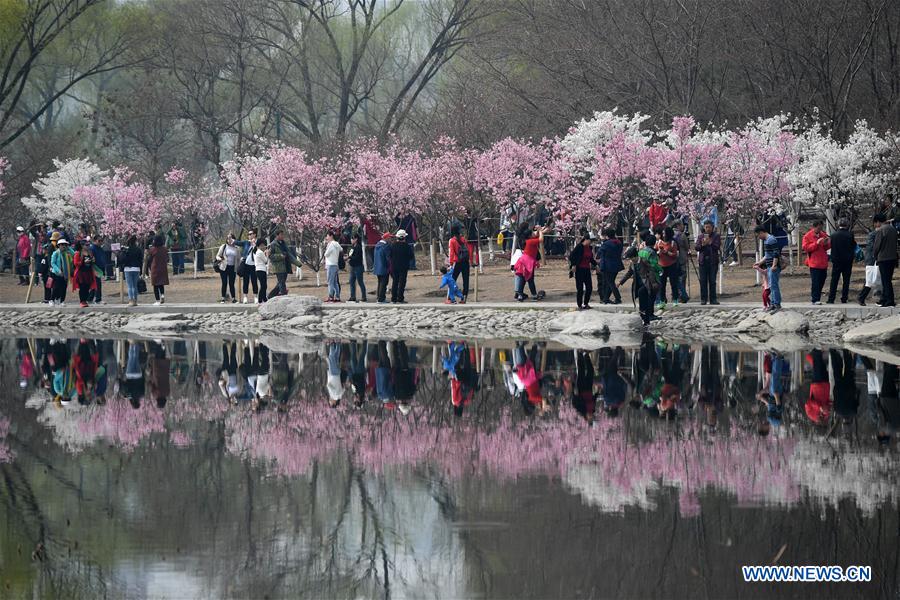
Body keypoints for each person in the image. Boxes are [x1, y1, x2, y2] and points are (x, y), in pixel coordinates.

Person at [624, 230, 662, 325]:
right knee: (650, 297)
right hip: (651, 279)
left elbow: (631, 271)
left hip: (641, 281)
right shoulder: (652, 253)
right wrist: (661, 269)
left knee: (644, 296)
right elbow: (653, 266)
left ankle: (645, 317)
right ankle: (649, 315)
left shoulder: (641, 252)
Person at [513, 225, 547, 302]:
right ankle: (534, 295)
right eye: (532, 233)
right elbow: (541, 239)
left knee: (523, 279)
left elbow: (538, 235)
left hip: (524, 261)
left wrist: (540, 230)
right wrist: (540, 231)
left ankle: (520, 295)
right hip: (527, 262)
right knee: (530, 279)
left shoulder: (529, 240)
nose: (533, 233)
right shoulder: (530, 241)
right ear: (529, 235)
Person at [827, 218, 856, 304]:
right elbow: (853, 246)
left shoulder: (833, 235)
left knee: (834, 280)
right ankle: (844, 298)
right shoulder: (850, 235)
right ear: (847, 225)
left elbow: (831, 246)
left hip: (836, 260)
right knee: (846, 280)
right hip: (847, 260)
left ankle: (831, 298)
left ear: (838, 224)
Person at [872, 212, 898, 307]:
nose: (875, 225)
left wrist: (874, 255)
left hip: (883, 258)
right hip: (892, 257)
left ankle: (889, 300)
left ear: (878, 222)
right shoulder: (893, 229)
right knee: (888, 279)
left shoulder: (880, 230)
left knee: (885, 280)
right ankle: (884, 299)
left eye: (875, 223)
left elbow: (876, 246)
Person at [802, 220, 830, 304]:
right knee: (815, 282)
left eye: (821, 228)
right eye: (819, 228)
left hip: (823, 262)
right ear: (814, 227)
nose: (820, 230)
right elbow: (806, 248)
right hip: (814, 263)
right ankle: (815, 299)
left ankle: (817, 297)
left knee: (822, 280)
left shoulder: (823, 234)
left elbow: (826, 247)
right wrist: (816, 243)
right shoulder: (807, 236)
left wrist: (827, 243)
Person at [755, 225, 782, 312]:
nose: (759, 237)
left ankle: (776, 303)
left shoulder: (771, 239)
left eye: (758, 235)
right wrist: (760, 262)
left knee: (774, 286)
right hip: (769, 265)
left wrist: (774, 265)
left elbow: (776, 253)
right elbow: (767, 255)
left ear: (761, 232)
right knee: (771, 285)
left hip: (773, 266)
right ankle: (773, 303)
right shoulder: (766, 241)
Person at [269, 230, 303, 297]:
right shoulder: (273, 244)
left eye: (282, 234)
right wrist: (280, 256)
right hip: (278, 267)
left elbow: (289, 253)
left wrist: (298, 263)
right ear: (277, 235)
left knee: (280, 282)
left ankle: (271, 296)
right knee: (281, 282)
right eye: (281, 234)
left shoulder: (283, 243)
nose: (282, 236)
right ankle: (283, 294)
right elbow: (271, 256)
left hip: (285, 266)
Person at [695, 220, 720, 305]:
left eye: (709, 227)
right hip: (703, 262)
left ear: (712, 227)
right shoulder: (700, 236)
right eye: (706, 227)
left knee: (712, 281)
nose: (708, 229)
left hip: (713, 261)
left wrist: (710, 242)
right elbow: (696, 247)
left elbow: (717, 246)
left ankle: (713, 299)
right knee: (703, 281)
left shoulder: (716, 236)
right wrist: (702, 244)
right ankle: (703, 299)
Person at [568, 234, 596, 310]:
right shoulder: (579, 246)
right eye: (591, 240)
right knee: (580, 288)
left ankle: (586, 303)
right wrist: (573, 265)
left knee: (589, 287)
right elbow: (571, 256)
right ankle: (579, 304)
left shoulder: (589, 248)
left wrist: (596, 265)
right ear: (586, 239)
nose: (591, 242)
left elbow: (591, 258)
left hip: (587, 269)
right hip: (579, 269)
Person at [596, 228, 623, 304]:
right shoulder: (619, 242)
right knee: (610, 282)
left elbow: (600, 252)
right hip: (617, 264)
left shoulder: (606, 244)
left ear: (607, 235)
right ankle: (606, 298)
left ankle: (618, 298)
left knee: (610, 282)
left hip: (608, 265)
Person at [655, 227, 680, 308]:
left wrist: (666, 252)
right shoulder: (659, 242)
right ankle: (662, 301)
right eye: (662, 233)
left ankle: (675, 299)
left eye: (664, 233)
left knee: (674, 283)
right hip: (661, 266)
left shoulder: (673, 243)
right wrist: (658, 252)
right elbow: (654, 251)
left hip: (671, 265)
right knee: (662, 284)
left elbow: (675, 255)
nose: (663, 235)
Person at [858, 220, 882, 306]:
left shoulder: (877, 234)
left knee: (876, 280)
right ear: (876, 223)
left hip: (876, 260)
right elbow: (872, 247)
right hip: (872, 260)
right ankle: (861, 297)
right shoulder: (872, 235)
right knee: (870, 280)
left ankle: (880, 299)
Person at [448, 225, 470, 303]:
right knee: (466, 280)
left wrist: (450, 263)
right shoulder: (463, 239)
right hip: (466, 262)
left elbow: (451, 253)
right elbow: (468, 249)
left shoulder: (452, 240)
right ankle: (464, 297)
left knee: (452, 280)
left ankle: (450, 298)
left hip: (457, 262)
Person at [215, 234, 240, 303]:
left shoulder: (236, 248)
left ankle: (233, 298)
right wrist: (220, 258)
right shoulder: (224, 246)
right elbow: (217, 255)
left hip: (232, 268)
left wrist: (238, 267)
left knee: (231, 283)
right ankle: (223, 298)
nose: (229, 240)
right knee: (224, 283)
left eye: (231, 238)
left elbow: (238, 259)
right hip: (224, 267)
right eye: (228, 238)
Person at [145, 235, 169, 305]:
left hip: (155, 268)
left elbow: (149, 259)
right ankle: (162, 295)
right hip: (163, 268)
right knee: (161, 283)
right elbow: (167, 258)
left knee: (155, 284)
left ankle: (157, 300)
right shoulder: (164, 249)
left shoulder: (153, 249)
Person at [72, 241, 97, 308]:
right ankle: (82, 301)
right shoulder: (78, 253)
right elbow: (75, 263)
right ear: (82, 245)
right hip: (81, 273)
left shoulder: (90, 253)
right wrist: (83, 262)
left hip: (88, 272)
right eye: (86, 245)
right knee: (82, 287)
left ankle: (85, 300)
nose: (88, 246)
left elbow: (92, 262)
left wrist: (93, 260)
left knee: (87, 287)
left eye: (88, 245)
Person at [120, 236, 144, 306]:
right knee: (135, 286)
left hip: (128, 268)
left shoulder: (126, 249)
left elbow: (122, 259)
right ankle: (135, 300)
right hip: (136, 268)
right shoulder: (138, 249)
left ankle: (131, 300)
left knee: (130, 286)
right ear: (135, 241)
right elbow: (140, 260)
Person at [390, 229, 413, 303]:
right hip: (403, 267)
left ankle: (393, 298)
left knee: (395, 282)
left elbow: (390, 255)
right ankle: (400, 298)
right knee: (402, 282)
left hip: (394, 266)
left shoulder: (393, 245)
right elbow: (411, 256)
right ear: (404, 238)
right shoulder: (407, 246)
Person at [49, 239, 74, 305]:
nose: (63, 246)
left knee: (64, 287)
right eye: (62, 244)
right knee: (56, 287)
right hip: (57, 273)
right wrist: (58, 271)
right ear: (59, 245)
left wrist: (69, 247)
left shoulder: (67, 253)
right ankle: (52, 300)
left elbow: (74, 254)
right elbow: (53, 263)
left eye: (65, 244)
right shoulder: (56, 253)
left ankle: (62, 300)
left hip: (66, 273)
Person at [672, 221, 690, 303]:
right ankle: (682, 295)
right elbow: (686, 246)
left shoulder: (670, 234)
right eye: (682, 225)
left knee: (674, 278)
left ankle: (674, 295)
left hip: (672, 259)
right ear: (678, 225)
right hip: (681, 259)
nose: (683, 226)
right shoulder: (682, 235)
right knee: (682, 277)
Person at [323, 230, 343, 302]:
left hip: (330, 264)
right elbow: (341, 249)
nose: (326, 238)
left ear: (331, 236)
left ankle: (331, 296)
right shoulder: (337, 244)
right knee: (335, 282)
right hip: (335, 264)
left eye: (327, 236)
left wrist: (327, 245)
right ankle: (337, 296)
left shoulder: (331, 244)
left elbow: (326, 254)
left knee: (330, 282)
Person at [239, 229, 258, 304]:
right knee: (245, 281)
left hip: (254, 265)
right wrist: (231, 239)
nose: (249, 235)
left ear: (255, 234)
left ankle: (256, 297)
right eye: (248, 234)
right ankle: (245, 297)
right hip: (246, 265)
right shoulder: (246, 243)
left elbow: (259, 251)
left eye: (251, 234)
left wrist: (254, 245)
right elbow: (238, 242)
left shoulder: (258, 242)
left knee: (254, 281)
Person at [347, 232, 367, 302]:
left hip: (358, 267)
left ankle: (364, 297)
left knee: (360, 281)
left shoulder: (358, 247)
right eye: (351, 238)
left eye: (353, 238)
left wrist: (350, 257)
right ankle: (353, 296)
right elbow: (350, 255)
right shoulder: (352, 247)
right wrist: (348, 258)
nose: (351, 240)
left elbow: (357, 257)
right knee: (351, 281)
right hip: (352, 266)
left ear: (356, 239)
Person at [373, 232, 392, 303]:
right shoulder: (385, 246)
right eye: (389, 238)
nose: (390, 239)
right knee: (384, 283)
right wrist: (389, 266)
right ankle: (381, 298)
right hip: (384, 267)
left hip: (377, 267)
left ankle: (378, 297)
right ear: (386, 238)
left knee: (380, 282)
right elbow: (388, 258)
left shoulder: (377, 245)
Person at [87, 235, 106, 304]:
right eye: (99, 241)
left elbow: (103, 259)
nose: (101, 242)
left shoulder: (100, 249)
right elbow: (90, 259)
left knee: (95, 284)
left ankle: (90, 298)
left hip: (100, 269)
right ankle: (98, 299)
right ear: (95, 241)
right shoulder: (92, 249)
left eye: (101, 241)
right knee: (97, 284)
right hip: (94, 268)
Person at [254, 238, 269, 303]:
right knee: (263, 286)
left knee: (263, 285)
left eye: (263, 245)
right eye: (262, 245)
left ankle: (263, 298)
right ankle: (261, 299)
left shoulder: (258, 252)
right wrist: (267, 255)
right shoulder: (260, 252)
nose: (263, 246)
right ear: (259, 245)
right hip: (261, 270)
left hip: (260, 270)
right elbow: (266, 261)